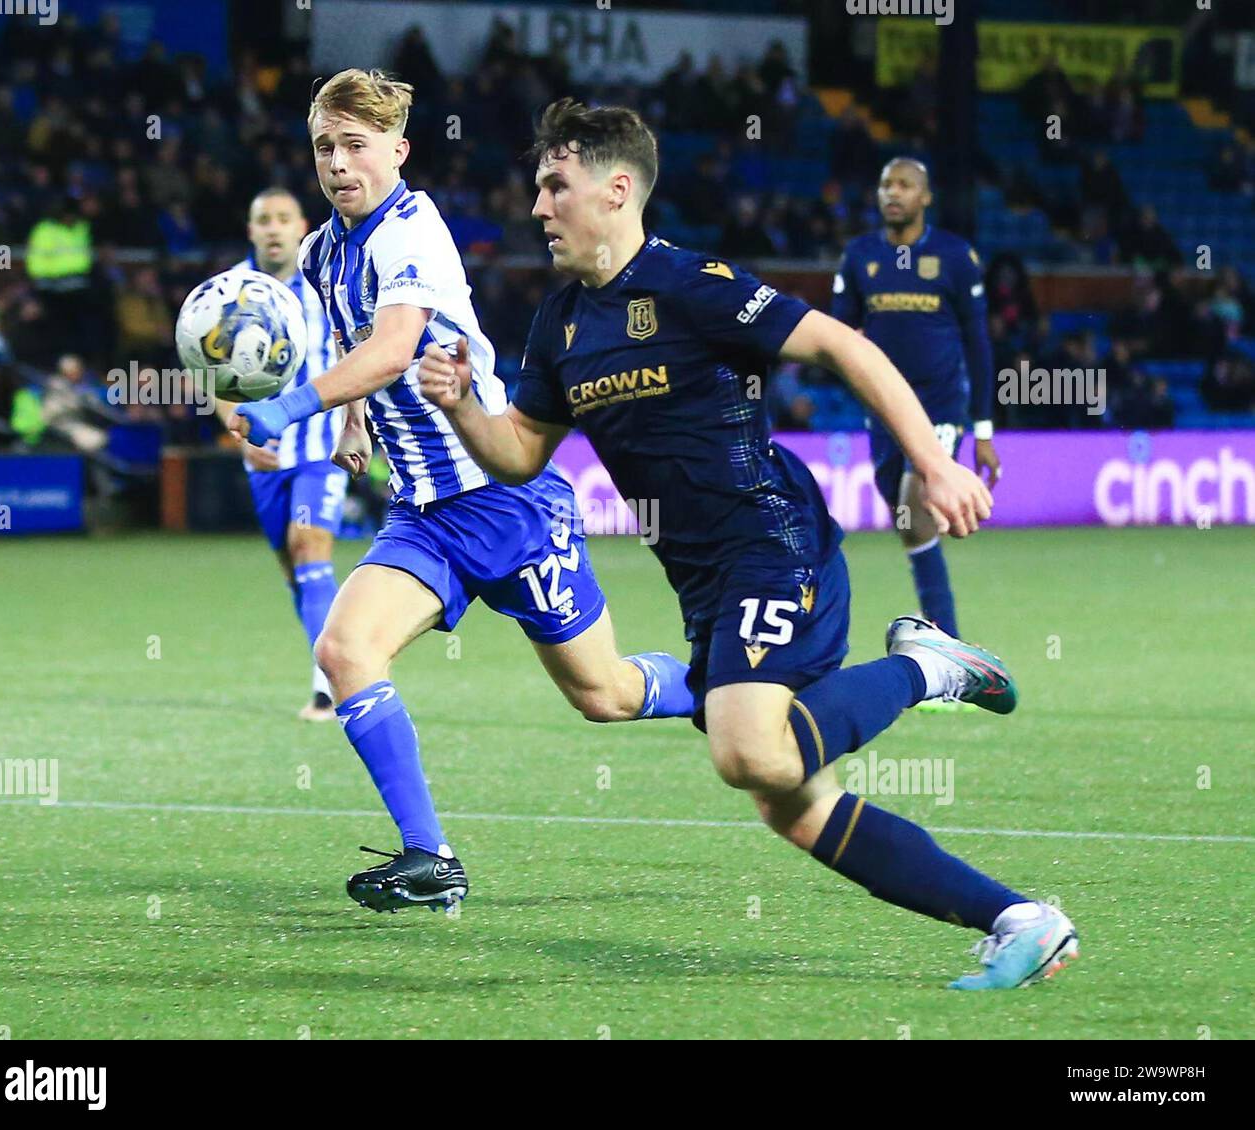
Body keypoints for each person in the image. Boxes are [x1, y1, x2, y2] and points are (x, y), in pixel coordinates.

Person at [417, 99, 1078, 990]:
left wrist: (933, 462)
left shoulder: (694, 285)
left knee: (747, 752)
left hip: (775, 542)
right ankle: (1021, 919)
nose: (538, 208)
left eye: (554, 186)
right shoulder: (559, 324)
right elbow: (520, 454)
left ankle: (931, 667)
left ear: (617, 190)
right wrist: (463, 405)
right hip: (704, 582)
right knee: (792, 806)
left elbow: (845, 345)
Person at [228, 71, 693, 914]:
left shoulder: (414, 228)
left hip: (503, 501)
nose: (337, 163)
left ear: (397, 152)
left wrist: (290, 406)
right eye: (325, 147)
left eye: (356, 146)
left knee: (605, 695)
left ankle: (731, 685)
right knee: (342, 653)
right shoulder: (326, 250)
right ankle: (430, 857)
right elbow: (357, 342)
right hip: (423, 516)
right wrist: (351, 423)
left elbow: (397, 342)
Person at [831, 159, 997, 681]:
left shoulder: (954, 257)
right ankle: (948, 642)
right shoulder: (860, 257)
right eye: (885, 185)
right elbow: (837, 334)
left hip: (942, 405)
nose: (892, 193)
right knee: (906, 522)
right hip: (882, 409)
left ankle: (947, 646)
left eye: (904, 186)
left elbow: (978, 342)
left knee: (913, 502)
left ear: (925, 197)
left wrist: (984, 429)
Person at [213, 187, 348, 721]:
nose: (272, 228)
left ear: (301, 226)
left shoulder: (326, 280)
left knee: (308, 545)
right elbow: (211, 370)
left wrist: (357, 424)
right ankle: (333, 660)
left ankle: (332, 682)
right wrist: (233, 426)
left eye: (282, 219)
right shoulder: (228, 293)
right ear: (251, 231)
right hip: (263, 453)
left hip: (320, 443)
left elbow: (351, 352)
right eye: (262, 219)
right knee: (293, 568)